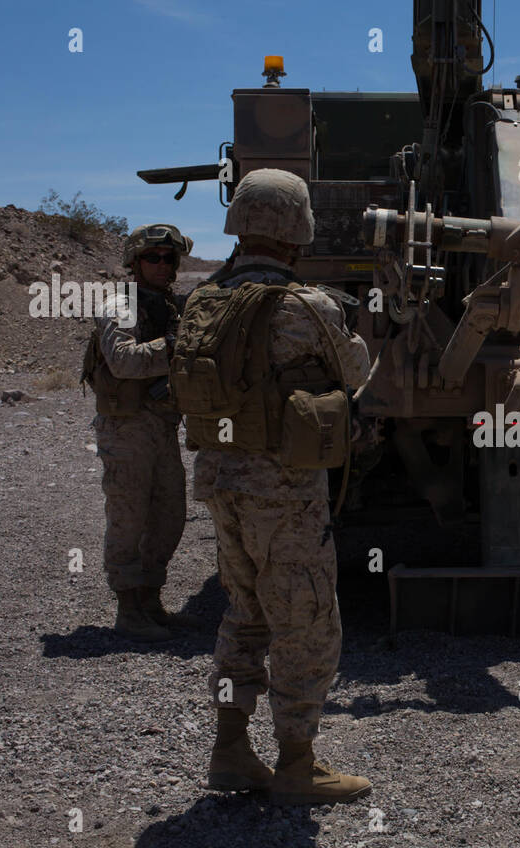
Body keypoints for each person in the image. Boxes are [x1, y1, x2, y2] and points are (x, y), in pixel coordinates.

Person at [177, 168, 373, 805]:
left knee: (245, 614)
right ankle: (297, 762)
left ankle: (230, 750)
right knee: (307, 620)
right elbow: (356, 371)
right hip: (284, 493)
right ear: (298, 228)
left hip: (218, 480)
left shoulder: (203, 301)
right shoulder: (305, 305)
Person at [83, 223, 197, 642]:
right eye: (154, 258)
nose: (163, 265)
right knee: (129, 516)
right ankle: (128, 609)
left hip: (162, 424)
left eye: (169, 258)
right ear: (135, 263)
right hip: (127, 427)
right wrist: (173, 345)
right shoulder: (119, 304)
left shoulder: (171, 307)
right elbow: (124, 362)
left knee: (169, 515)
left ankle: (150, 601)